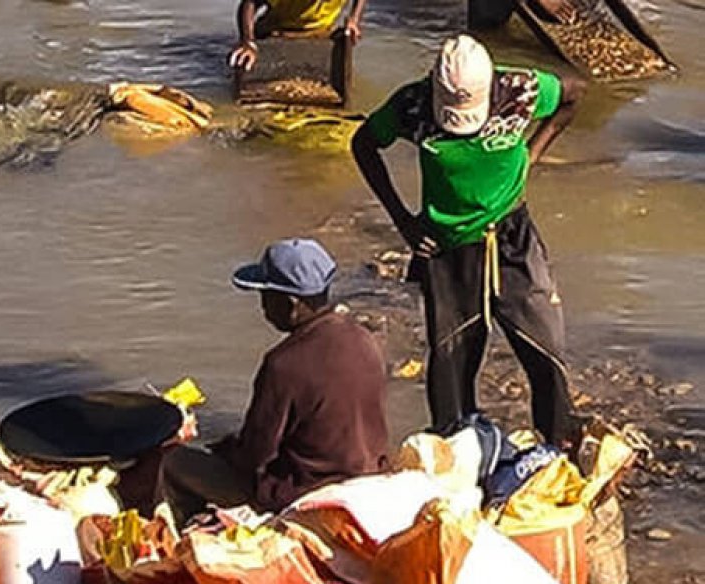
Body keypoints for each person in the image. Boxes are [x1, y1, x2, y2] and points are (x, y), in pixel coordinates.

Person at [351, 35, 585, 447]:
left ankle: (558, 446)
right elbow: (364, 143)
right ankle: (455, 450)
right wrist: (403, 221)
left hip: (512, 236)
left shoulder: (520, 91)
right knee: (452, 359)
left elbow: (573, 94)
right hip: (448, 247)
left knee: (544, 347)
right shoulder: (414, 105)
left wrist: (532, 155)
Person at [159, 238, 389, 521]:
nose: (264, 307)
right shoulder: (364, 339)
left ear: (292, 304)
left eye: (267, 297)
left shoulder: (284, 364)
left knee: (173, 462)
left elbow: (254, 457)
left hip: (305, 490)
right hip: (366, 473)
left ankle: (192, 530)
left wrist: (225, 450)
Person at [229, 0, 367, 74]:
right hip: (278, 32)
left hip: (318, 34)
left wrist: (354, 20)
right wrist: (248, 42)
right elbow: (249, 3)